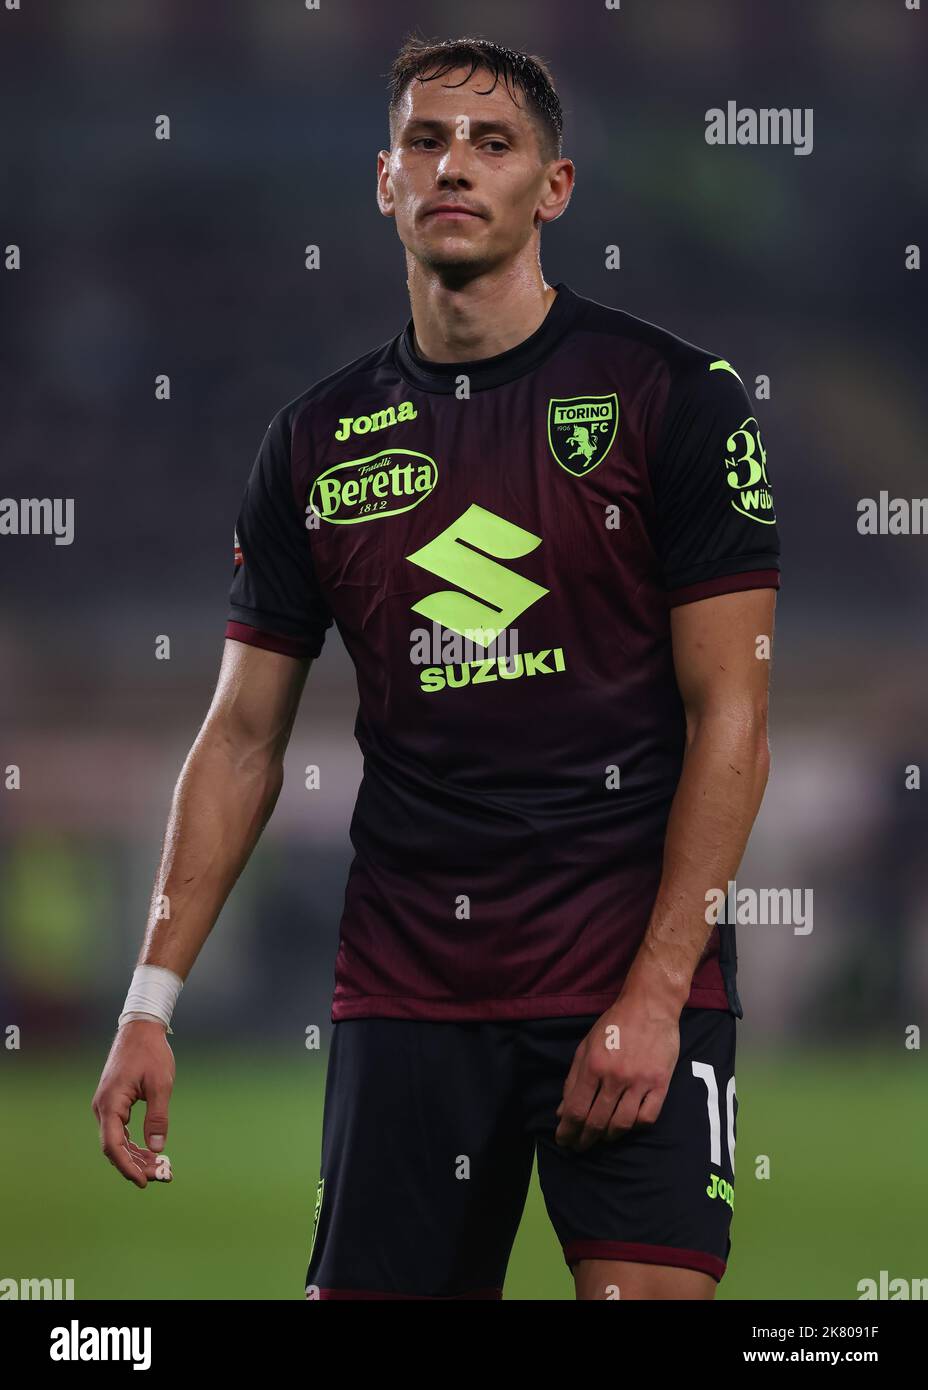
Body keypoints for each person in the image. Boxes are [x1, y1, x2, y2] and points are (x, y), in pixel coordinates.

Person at [92, 34, 780, 1301]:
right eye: (425, 139)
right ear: (383, 180)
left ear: (553, 189)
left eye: (492, 141)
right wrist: (150, 1000)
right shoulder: (310, 443)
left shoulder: (671, 399)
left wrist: (655, 995)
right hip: (409, 990)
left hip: (621, 977)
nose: (453, 164)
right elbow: (243, 736)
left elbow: (731, 717)